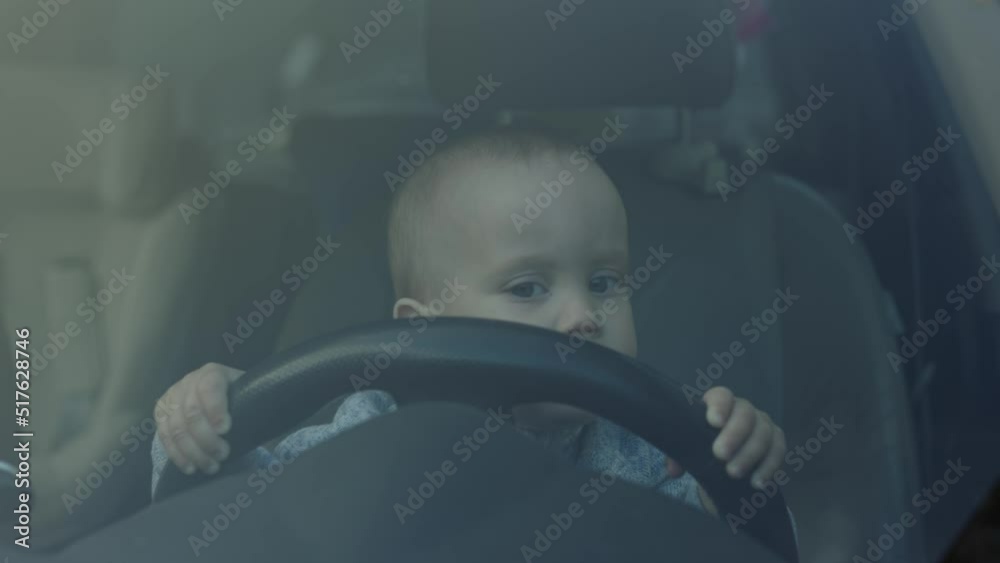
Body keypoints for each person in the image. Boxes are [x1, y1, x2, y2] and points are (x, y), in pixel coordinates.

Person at [150, 128, 788, 519]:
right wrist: (208, 423)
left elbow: (703, 543)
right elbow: (250, 520)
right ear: (420, 330)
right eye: (527, 287)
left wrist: (731, 476)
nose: (583, 317)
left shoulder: (643, 454)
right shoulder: (370, 435)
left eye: (603, 282)